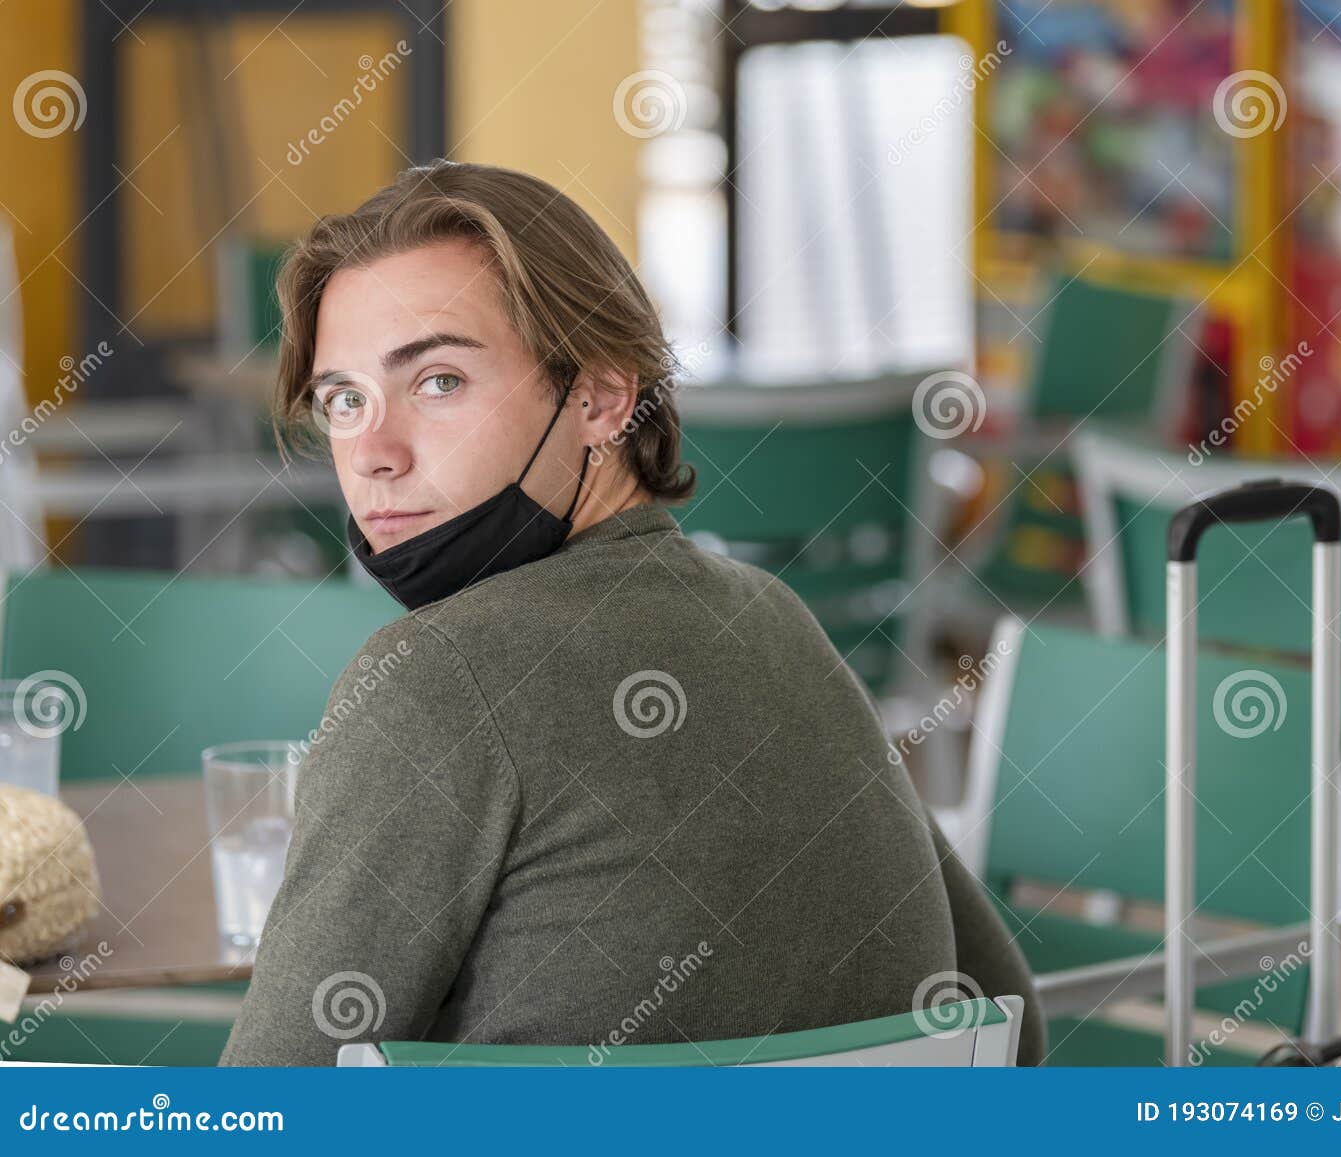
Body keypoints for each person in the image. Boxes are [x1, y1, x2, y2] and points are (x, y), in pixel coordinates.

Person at [219, 160, 1044, 1066]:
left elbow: (269, 1102)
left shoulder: (432, 678)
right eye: (344, 399)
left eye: (440, 381)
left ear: (603, 398)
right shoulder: (772, 617)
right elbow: (1008, 1018)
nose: (372, 452)